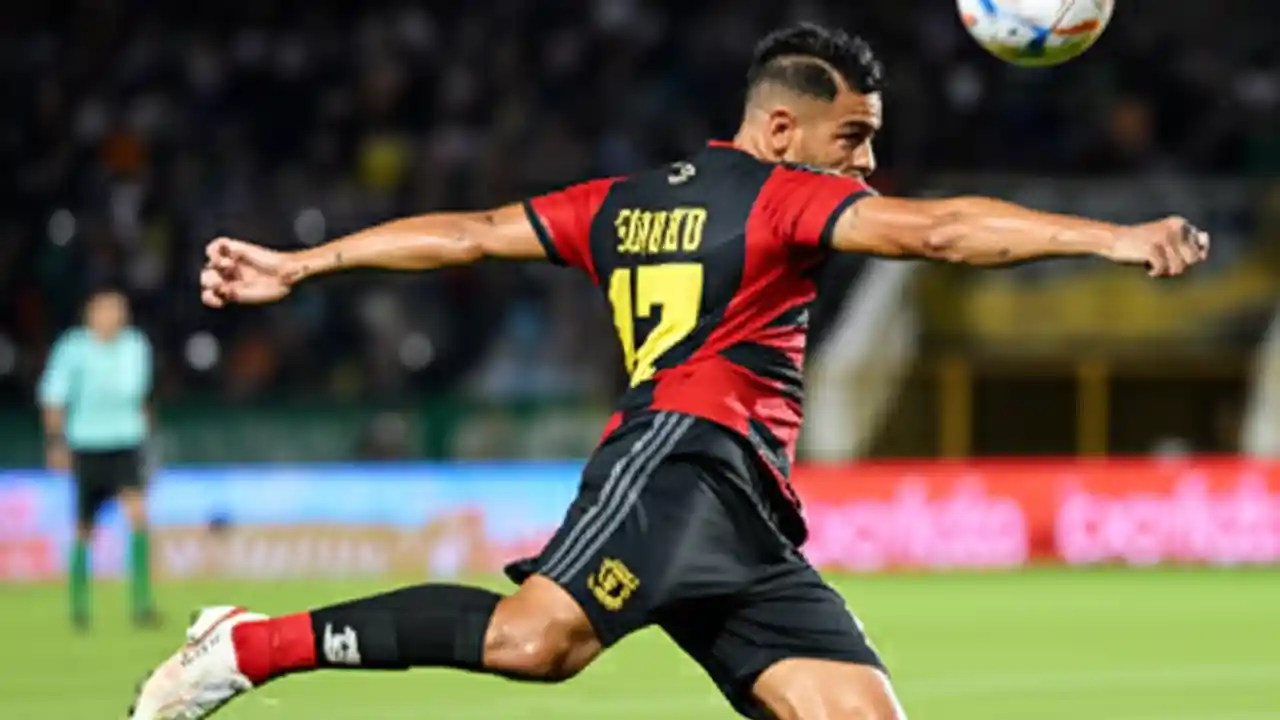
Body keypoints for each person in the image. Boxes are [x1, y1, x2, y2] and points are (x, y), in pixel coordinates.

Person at [130, 23, 1209, 720]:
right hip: (679, 459)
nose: (867, 166)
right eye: (855, 138)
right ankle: (248, 646)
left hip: (740, 509)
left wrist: (305, 261)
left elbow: (465, 234)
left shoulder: (623, 199)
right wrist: (1105, 237)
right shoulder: (782, 194)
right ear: (782, 129)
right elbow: (939, 233)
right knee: (534, 643)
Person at [39, 289, 158, 630]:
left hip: (126, 442)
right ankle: (79, 606)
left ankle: (141, 603)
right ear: (90, 314)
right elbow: (53, 397)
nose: (113, 317)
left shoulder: (135, 346)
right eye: (106, 311)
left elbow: (143, 398)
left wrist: (149, 444)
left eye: (119, 311)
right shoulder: (72, 349)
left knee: (138, 516)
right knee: (83, 528)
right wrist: (56, 442)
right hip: (88, 445)